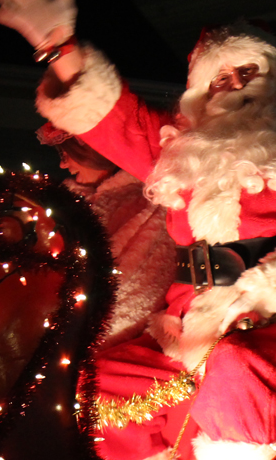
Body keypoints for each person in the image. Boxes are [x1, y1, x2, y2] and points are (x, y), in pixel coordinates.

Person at [0, 0, 276, 460]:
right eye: (218, 78)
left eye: (248, 70)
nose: (234, 84)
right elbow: (113, 119)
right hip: (185, 325)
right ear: (201, 93)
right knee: (92, 388)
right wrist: (57, 48)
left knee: (234, 372)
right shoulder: (181, 153)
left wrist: (270, 294)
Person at [37, 124, 176, 349]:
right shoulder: (70, 205)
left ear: (94, 151)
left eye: (66, 153)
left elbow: (132, 292)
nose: (63, 164)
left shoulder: (146, 205)